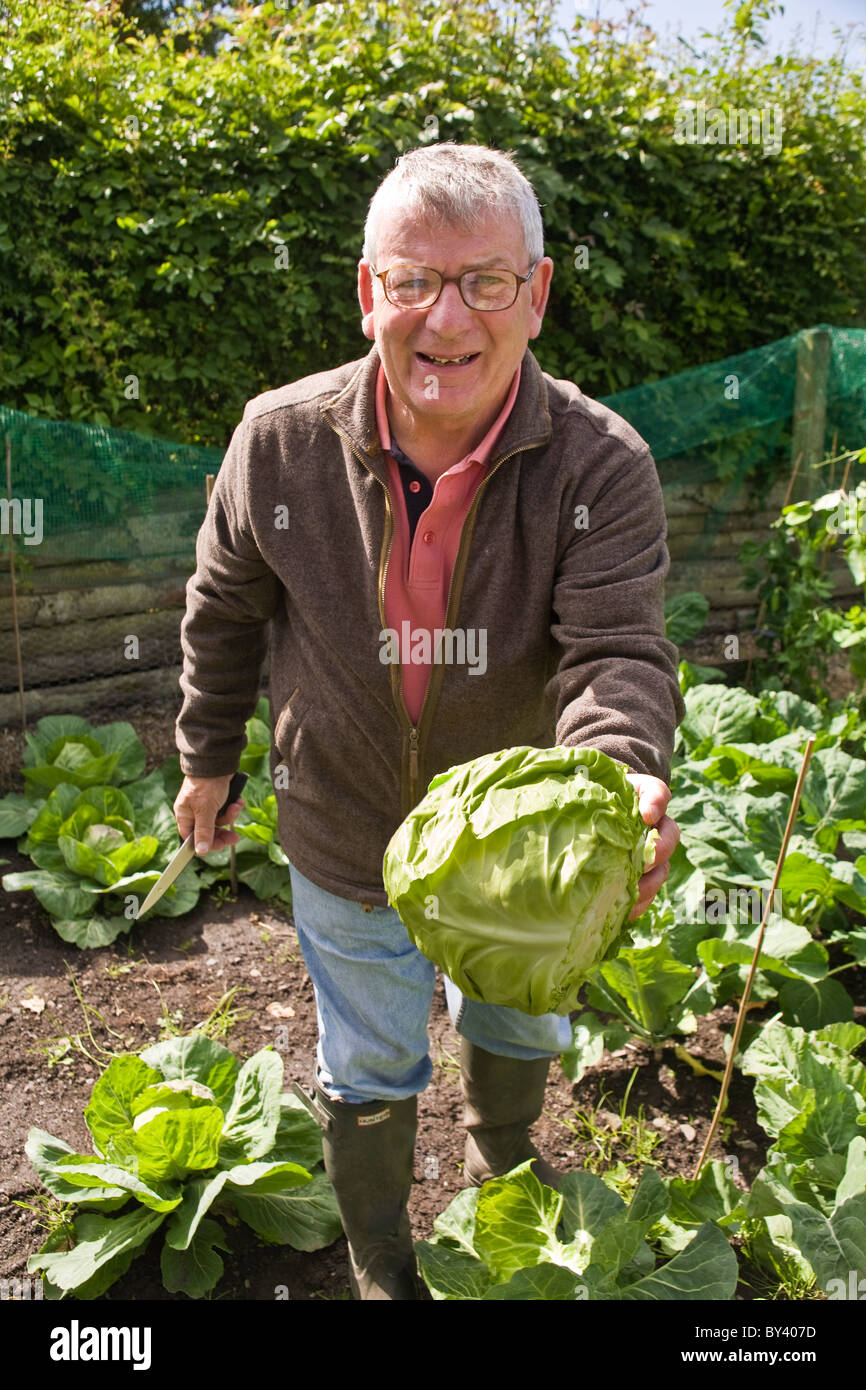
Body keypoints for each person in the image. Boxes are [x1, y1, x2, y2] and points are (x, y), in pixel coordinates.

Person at [173, 142, 684, 1301]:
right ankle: (380, 1258)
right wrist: (207, 754)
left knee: (516, 1022)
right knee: (365, 1056)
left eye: (484, 281)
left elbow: (615, 650)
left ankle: (498, 1156)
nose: (443, 316)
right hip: (343, 819)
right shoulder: (279, 441)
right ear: (368, 294)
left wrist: (613, 778)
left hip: (515, 865)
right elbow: (222, 607)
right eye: (412, 280)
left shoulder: (599, 464)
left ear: (536, 294)